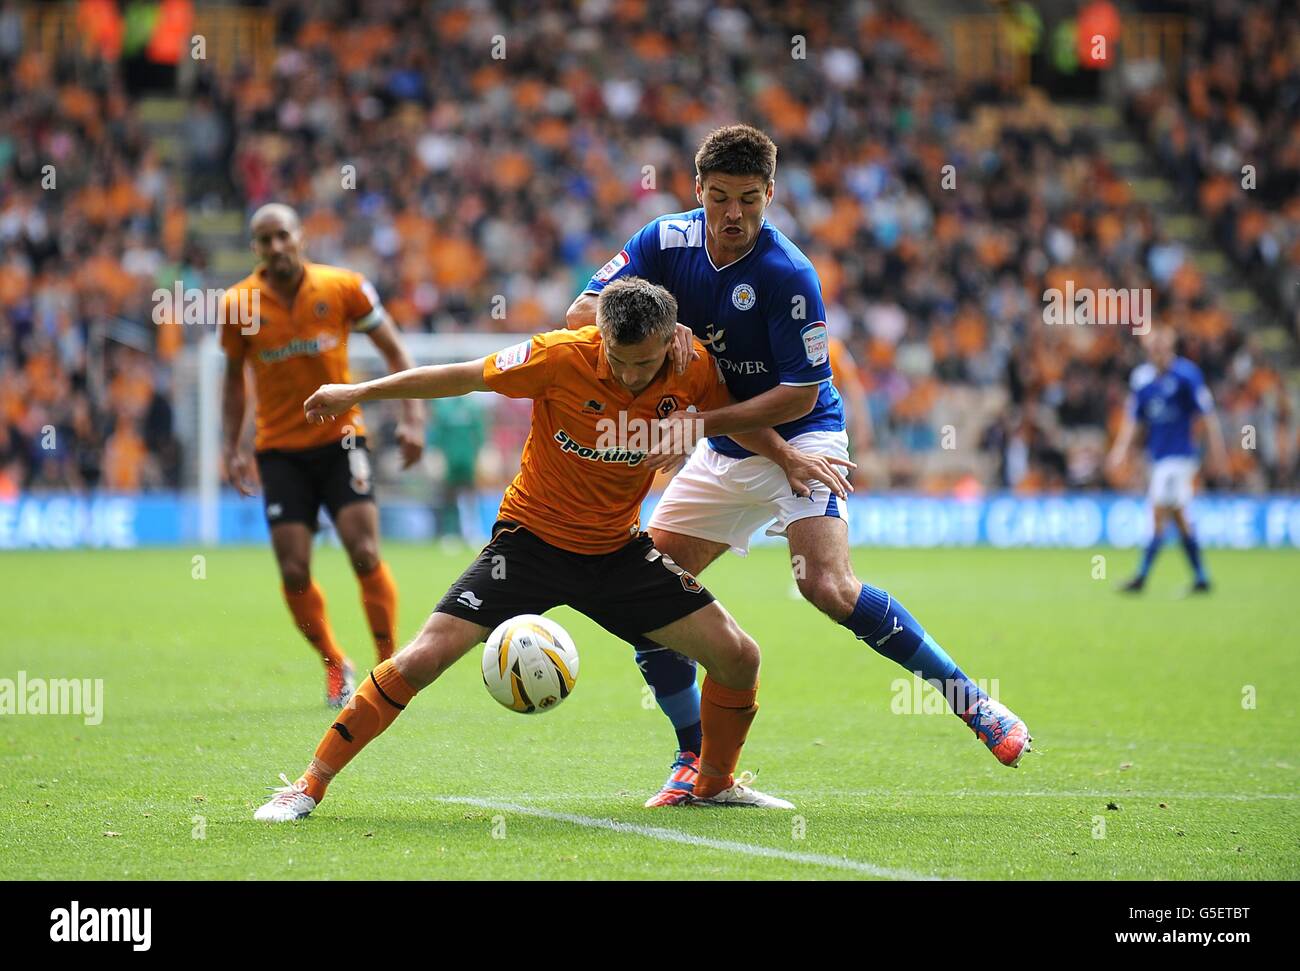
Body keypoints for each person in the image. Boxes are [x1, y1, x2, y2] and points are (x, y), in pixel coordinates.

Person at [566, 125, 1032, 806]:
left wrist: (690, 421)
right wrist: (663, 358)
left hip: (802, 438)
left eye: (749, 200)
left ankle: (974, 703)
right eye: (720, 197)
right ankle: (693, 759)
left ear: (771, 194)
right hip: (725, 446)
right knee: (645, 599)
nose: (733, 215)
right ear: (697, 191)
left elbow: (800, 393)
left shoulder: (789, 276)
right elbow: (583, 312)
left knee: (828, 586)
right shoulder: (663, 242)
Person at [253, 277, 800, 822]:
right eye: (619, 361)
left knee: (738, 657)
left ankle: (713, 784)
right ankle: (307, 785)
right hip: (528, 545)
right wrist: (356, 393)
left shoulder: (693, 366)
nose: (632, 377)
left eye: (645, 364)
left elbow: (737, 420)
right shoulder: (557, 357)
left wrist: (786, 457)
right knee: (422, 657)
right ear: (600, 336)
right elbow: (462, 377)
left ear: (669, 341)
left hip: (617, 553)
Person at [221, 204, 425, 707]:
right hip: (279, 450)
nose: (275, 247)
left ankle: (388, 665)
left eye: (282, 236)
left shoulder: (344, 287)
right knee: (293, 569)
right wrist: (233, 446)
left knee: (365, 551)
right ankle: (336, 664)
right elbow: (233, 379)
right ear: (255, 248)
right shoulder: (238, 305)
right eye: (264, 240)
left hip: (342, 440)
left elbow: (396, 353)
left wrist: (413, 418)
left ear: (300, 238)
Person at [1106, 328, 1228, 593]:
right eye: (1152, 348)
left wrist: (1217, 452)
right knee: (1180, 517)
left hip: (1180, 457)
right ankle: (1201, 577)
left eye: (1161, 347)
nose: (1157, 353)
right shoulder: (1142, 380)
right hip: (1157, 457)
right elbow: (1133, 421)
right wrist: (1120, 450)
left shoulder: (1187, 375)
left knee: (1157, 511)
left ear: (1170, 347)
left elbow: (1207, 416)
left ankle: (1141, 576)